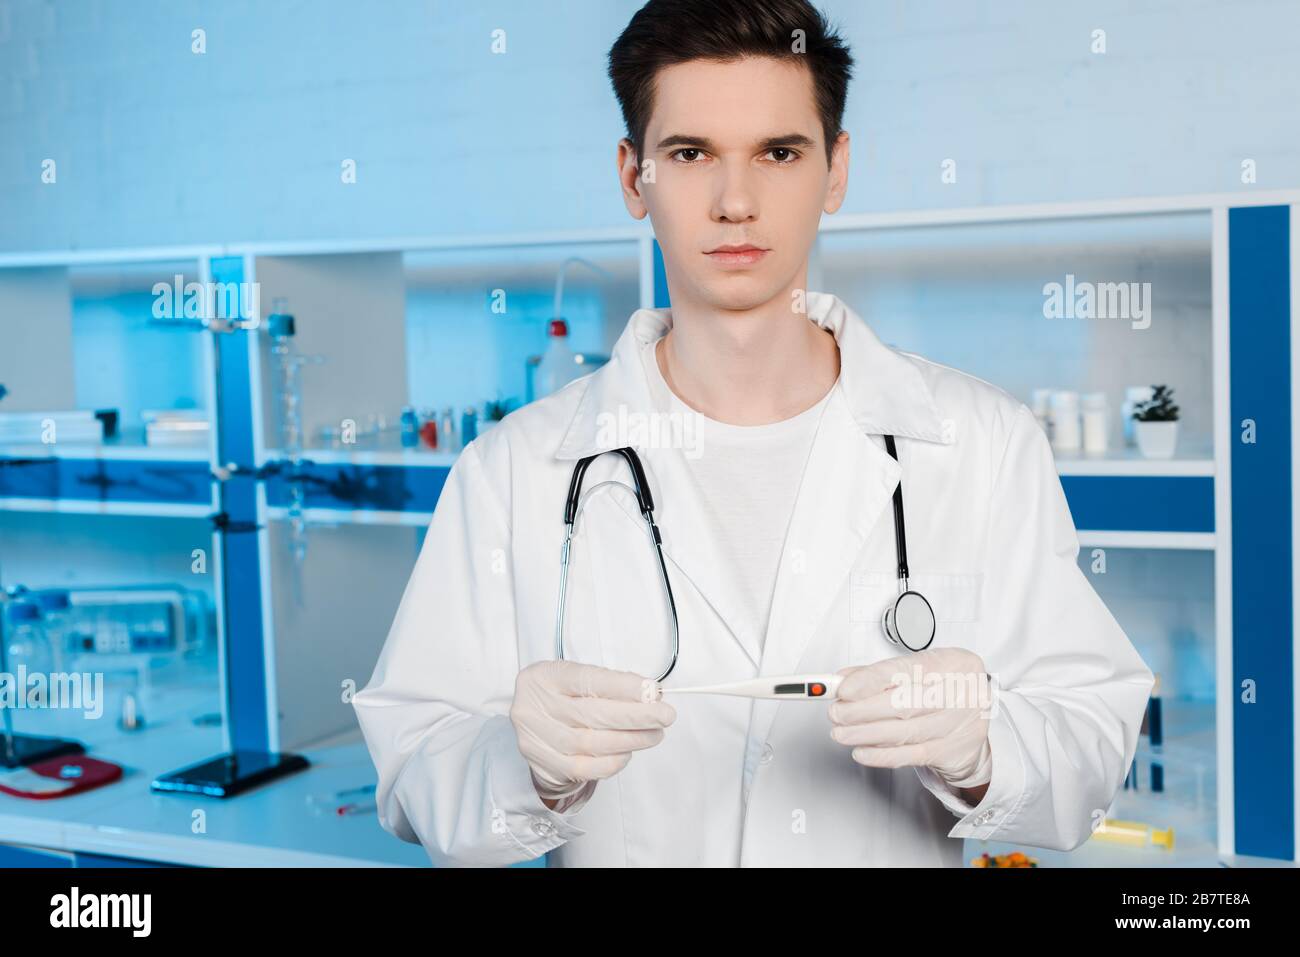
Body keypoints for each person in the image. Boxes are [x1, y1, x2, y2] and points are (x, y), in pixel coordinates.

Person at [352, 0, 1154, 867]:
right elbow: (410, 782)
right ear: (634, 178)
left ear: (836, 170)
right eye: (690, 154)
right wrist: (523, 763)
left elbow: (1091, 751)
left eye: (779, 153)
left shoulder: (981, 444)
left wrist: (986, 746)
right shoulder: (513, 470)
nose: (737, 202)